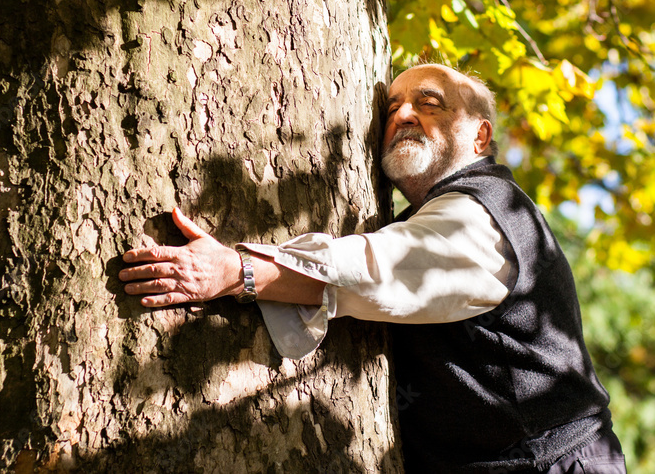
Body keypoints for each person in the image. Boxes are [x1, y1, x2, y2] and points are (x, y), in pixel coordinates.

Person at [119, 64, 626, 473]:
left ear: (480, 136)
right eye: (392, 107)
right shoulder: (433, 215)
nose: (404, 113)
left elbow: (375, 269)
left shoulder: (487, 213)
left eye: (429, 102)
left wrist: (235, 269)